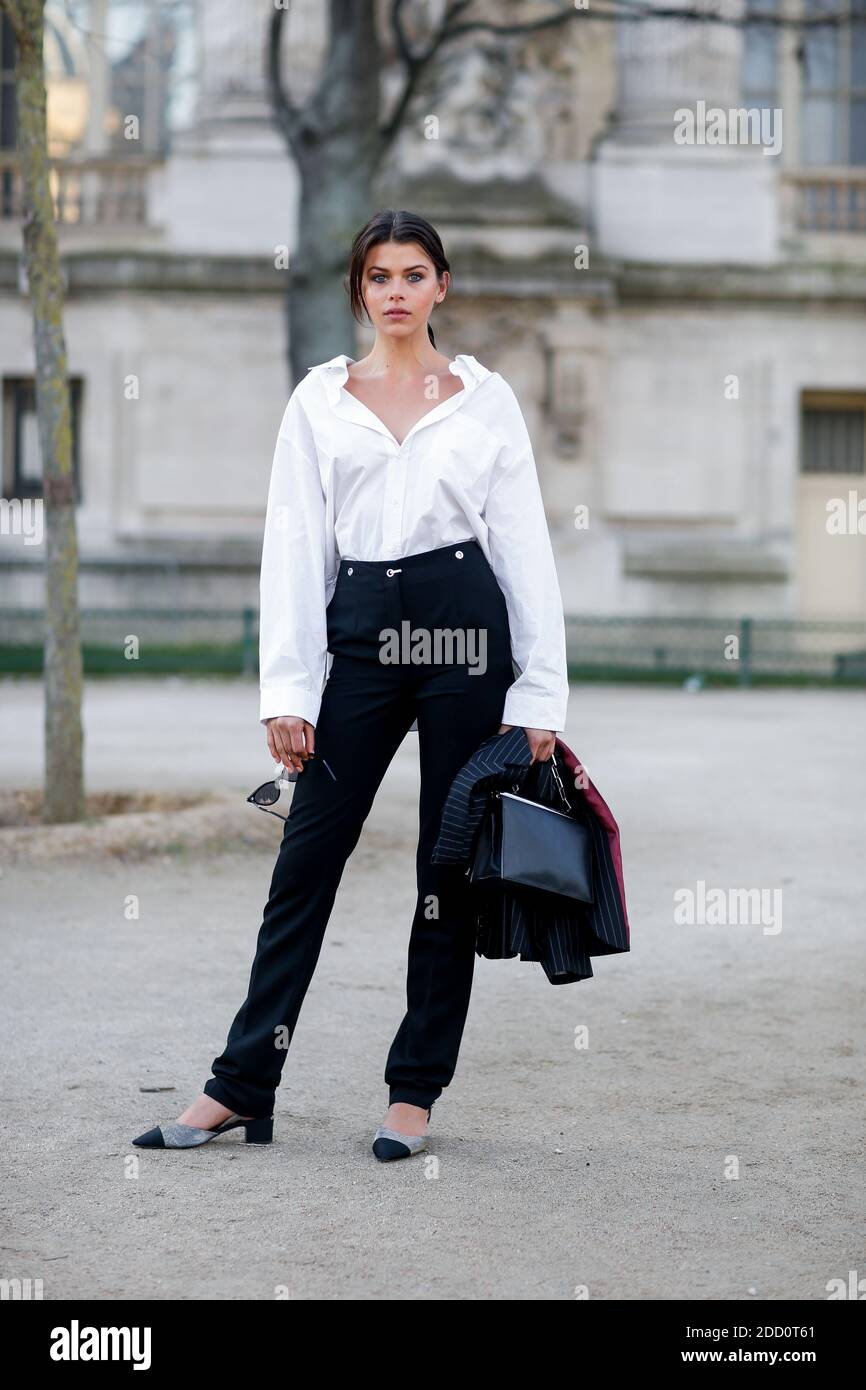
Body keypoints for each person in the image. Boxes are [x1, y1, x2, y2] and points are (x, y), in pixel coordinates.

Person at [132, 209, 570, 1160]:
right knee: (304, 865)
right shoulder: (319, 401)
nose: (398, 291)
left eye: (416, 274)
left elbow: (525, 550)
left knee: (445, 874)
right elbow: (292, 544)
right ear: (360, 291)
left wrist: (537, 698)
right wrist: (286, 689)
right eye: (380, 277)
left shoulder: (486, 401)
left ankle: (413, 1094)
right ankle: (241, 1084)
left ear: (441, 287)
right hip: (362, 637)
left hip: (465, 635)